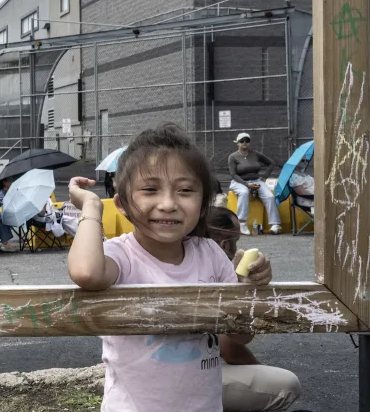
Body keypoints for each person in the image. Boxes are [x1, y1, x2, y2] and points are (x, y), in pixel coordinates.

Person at [66, 124, 273, 411]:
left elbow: (240, 335)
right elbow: (86, 273)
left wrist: (249, 288)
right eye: (150, 189)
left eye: (185, 190)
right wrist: (90, 206)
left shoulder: (210, 254)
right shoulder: (121, 256)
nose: (168, 204)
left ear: (202, 205)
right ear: (122, 204)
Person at [207, 207, 302, 412]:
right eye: (235, 240)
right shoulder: (215, 263)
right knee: (286, 386)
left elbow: (239, 340)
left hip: (203, 364)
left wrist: (241, 286)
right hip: (191, 374)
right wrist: (258, 366)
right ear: (225, 242)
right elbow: (232, 350)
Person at [228, 133, 281, 235]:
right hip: (239, 181)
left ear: (250, 142)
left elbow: (271, 163)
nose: (244, 143)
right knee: (243, 193)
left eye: (247, 140)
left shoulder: (255, 154)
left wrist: (264, 177)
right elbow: (233, 174)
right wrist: (246, 185)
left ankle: (275, 224)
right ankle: (242, 223)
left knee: (269, 196)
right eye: (242, 141)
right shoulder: (233, 157)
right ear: (237, 143)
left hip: (256, 180)